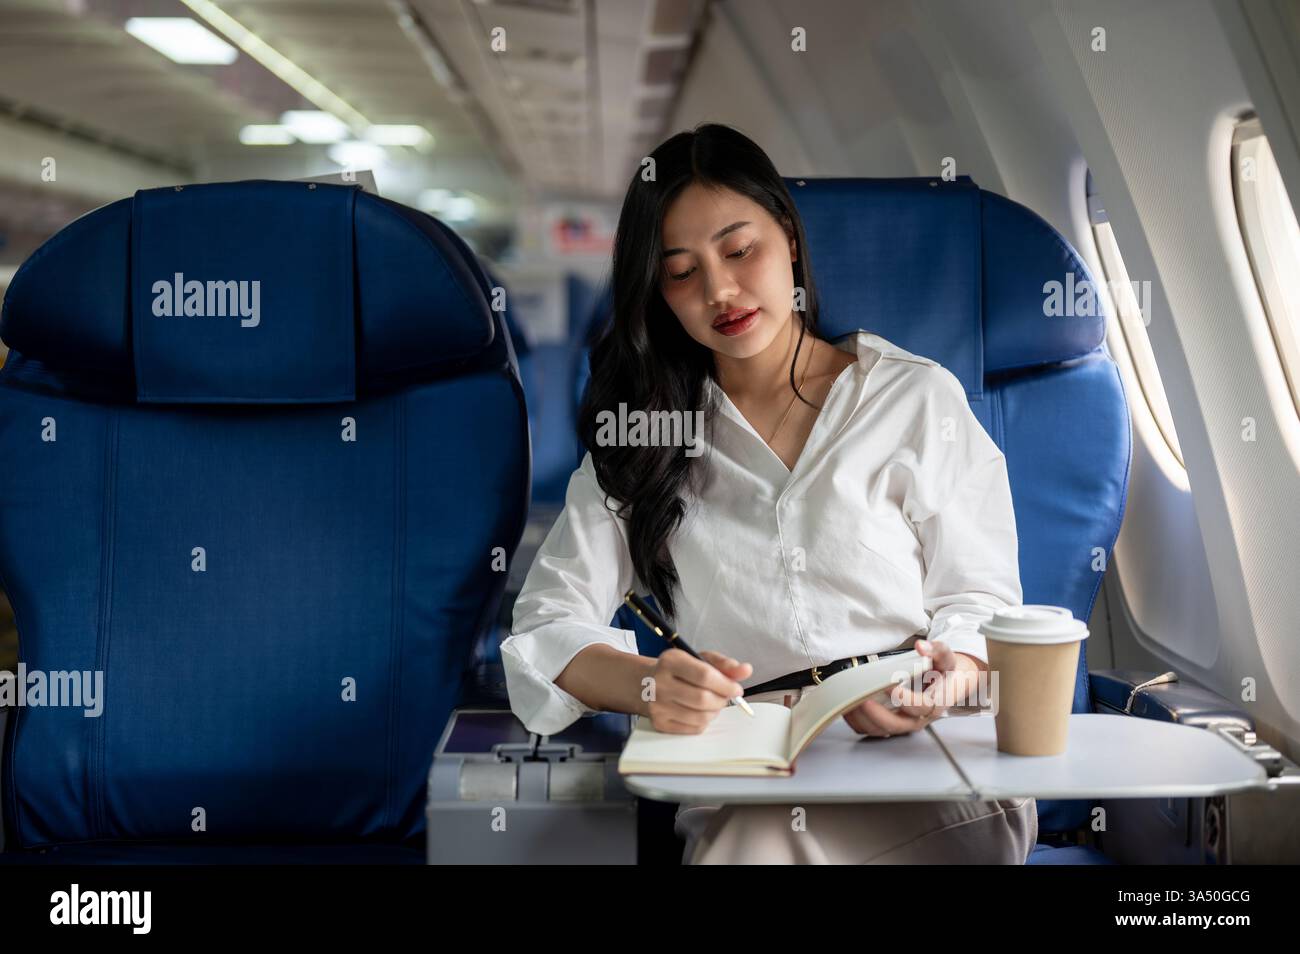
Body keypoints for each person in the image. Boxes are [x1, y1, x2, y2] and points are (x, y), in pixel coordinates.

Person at [500, 122, 1036, 864]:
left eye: (739, 249)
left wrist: (945, 678)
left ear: (787, 235)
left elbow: (984, 602)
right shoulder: (645, 437)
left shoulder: (913, 399)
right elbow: (546, 627)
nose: (719, 290)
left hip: (927, 755)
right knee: (752, 843)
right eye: (681, 271)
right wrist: (652, 684)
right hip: (749, 763)